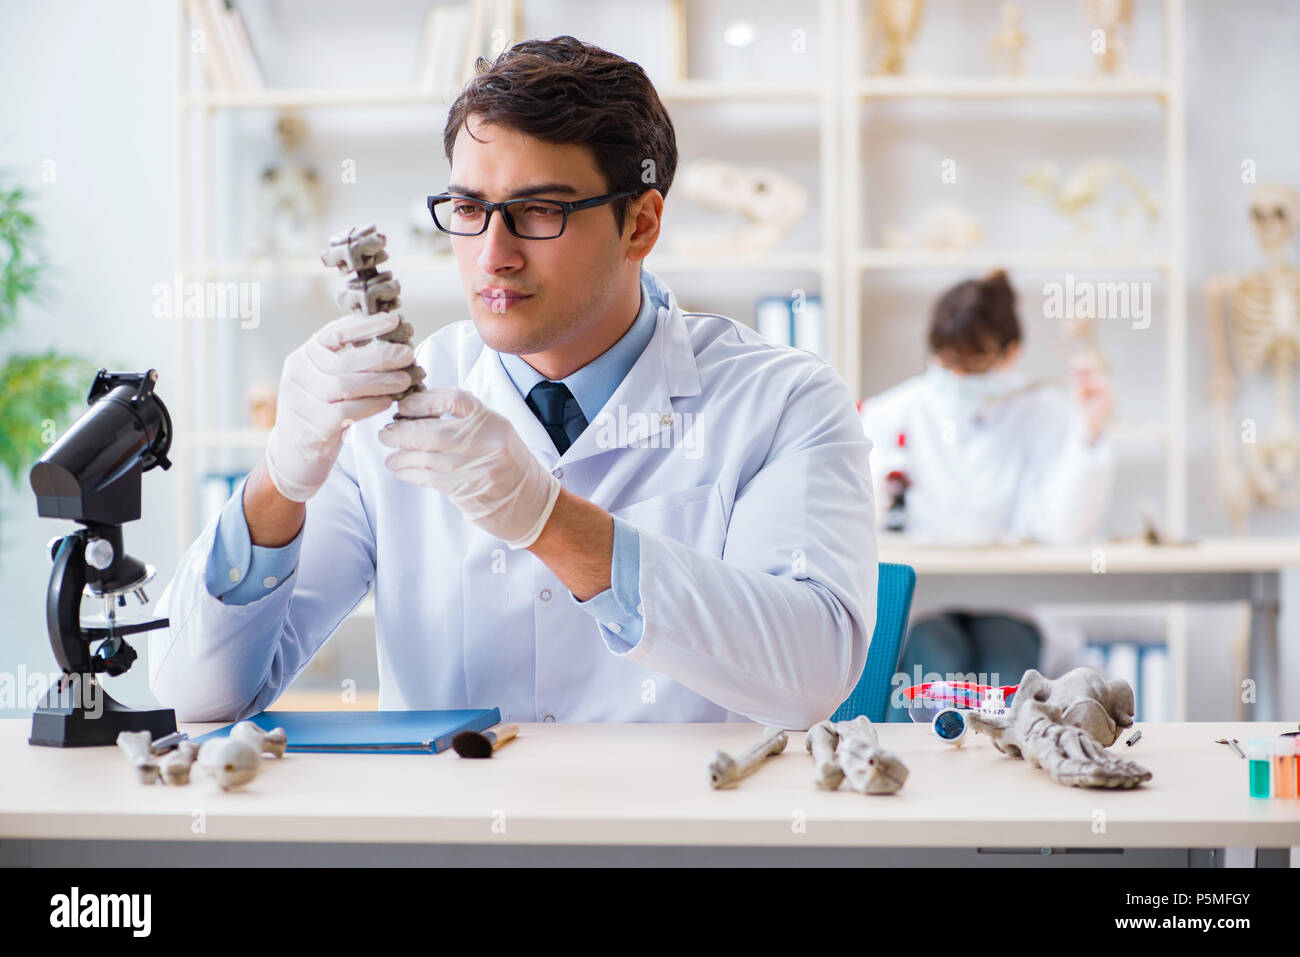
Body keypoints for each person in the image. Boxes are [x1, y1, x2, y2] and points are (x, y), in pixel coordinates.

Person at [150, 36, 877, 729]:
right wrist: (277, 483)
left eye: (539, 211)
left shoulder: (783, 402)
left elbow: (813, 673)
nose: (492, 255)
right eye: (469, 209)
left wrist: (548, 520)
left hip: (674, 842)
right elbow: (196, 694)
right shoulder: (384, 410)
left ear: (641, 224)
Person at [857, 270, 1116, 721]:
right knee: (932, 665)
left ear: (1009, 354)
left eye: (972, 366)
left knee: (1005, 676)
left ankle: (1003, 789)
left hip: (1010, 602)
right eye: (946, 362)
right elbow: (866, 519)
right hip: (927, 604)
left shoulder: (1046, 415)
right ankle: (919, 785)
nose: (957, 377)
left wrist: (1089, 430)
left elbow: (1064, 528)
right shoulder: (892, 413)